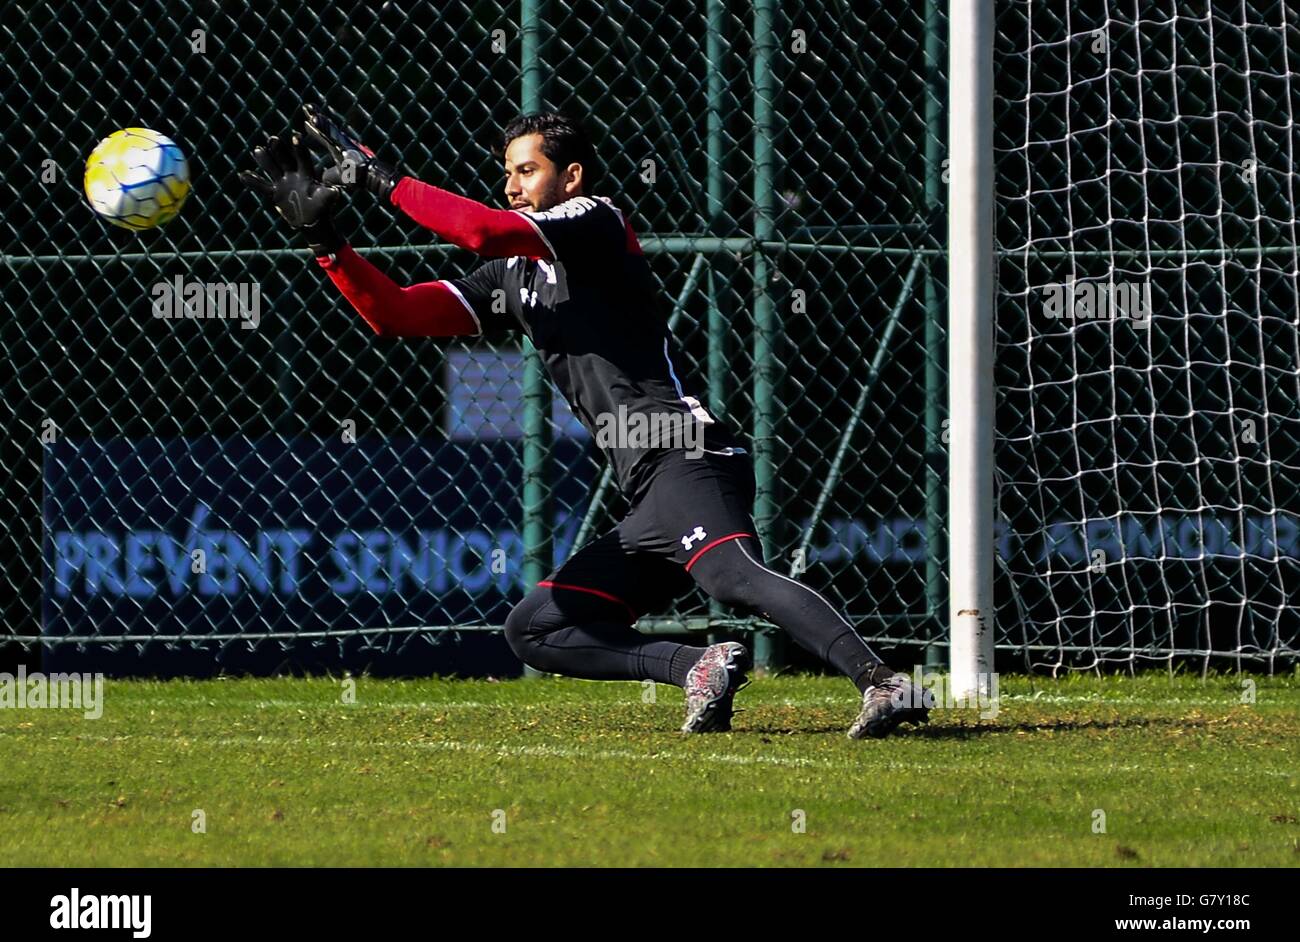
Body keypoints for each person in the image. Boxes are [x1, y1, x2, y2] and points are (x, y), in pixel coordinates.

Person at [239, 103, 930, 738]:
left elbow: (480, 228)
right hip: (644, 489)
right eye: (506, 172)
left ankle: (886, 682)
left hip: (682, 449)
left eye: (526, 170)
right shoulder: (514, 272)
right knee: (537, 628)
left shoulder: (595, 219)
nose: (512, 184)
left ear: (570, 176)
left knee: (728, 576)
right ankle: (697, 667)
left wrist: (387, 180)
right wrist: (327, 243)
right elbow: (394, 314)